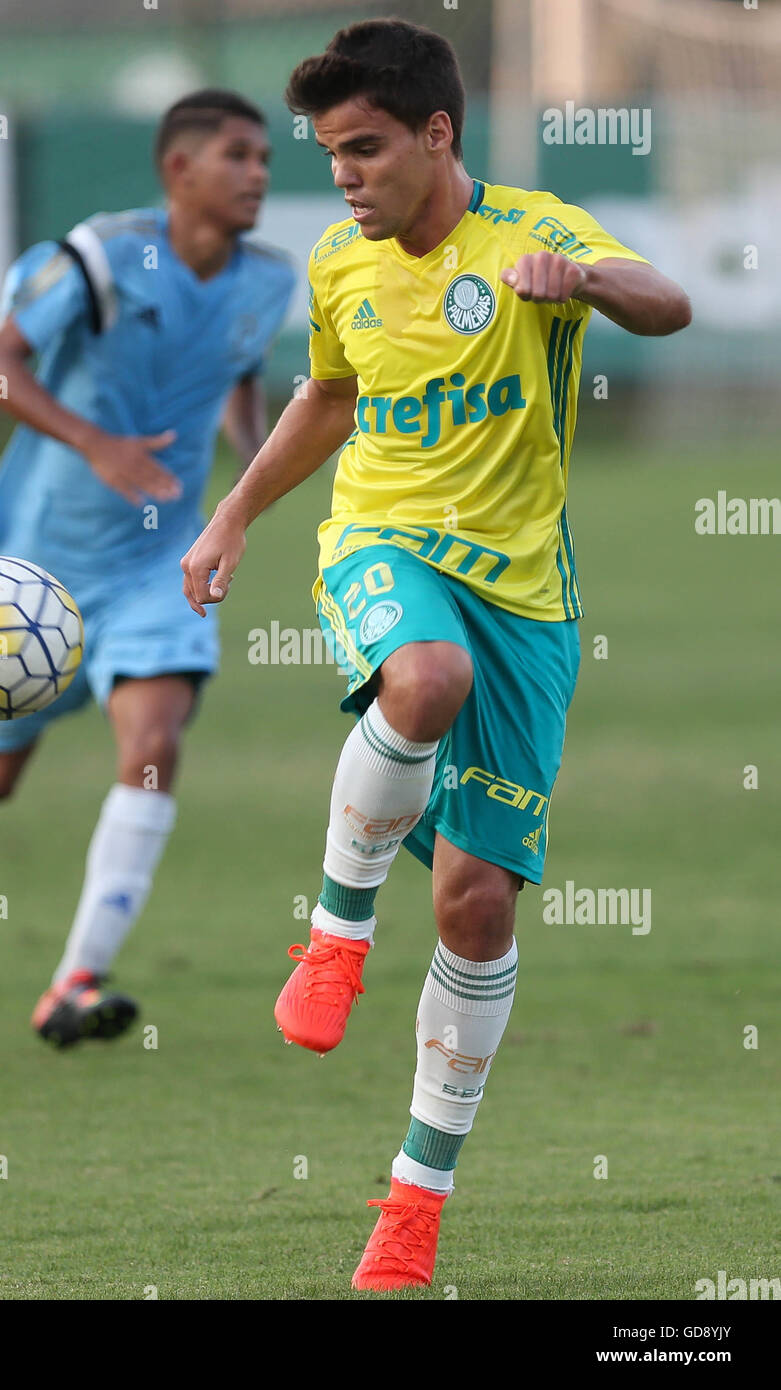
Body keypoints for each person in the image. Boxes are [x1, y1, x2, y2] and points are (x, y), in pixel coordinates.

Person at [181, 21, 690, 1289]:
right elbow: (330, 397)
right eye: (330, 154)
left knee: (473, 905)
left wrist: (587, 284)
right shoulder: (341, 264)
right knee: (423, 679)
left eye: (364, 148)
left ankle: (412, 1208)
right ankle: (336, 929)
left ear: (437, 134)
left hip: (526, 593)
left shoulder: (534, 227)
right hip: (384, 542)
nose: (344, 175)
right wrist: (235, 512)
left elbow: (668, 302)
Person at [0, 89, 295, 1048]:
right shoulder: (99, 256)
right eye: (236, 155)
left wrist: (251, 487)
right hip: (37, 578)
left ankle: (73, 981)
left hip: (158, 568)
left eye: (263, 155)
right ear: (178, 171)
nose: (259, 172)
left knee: (154, 743)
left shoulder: (267, 280)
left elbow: (235, 383)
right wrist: (98, 445)